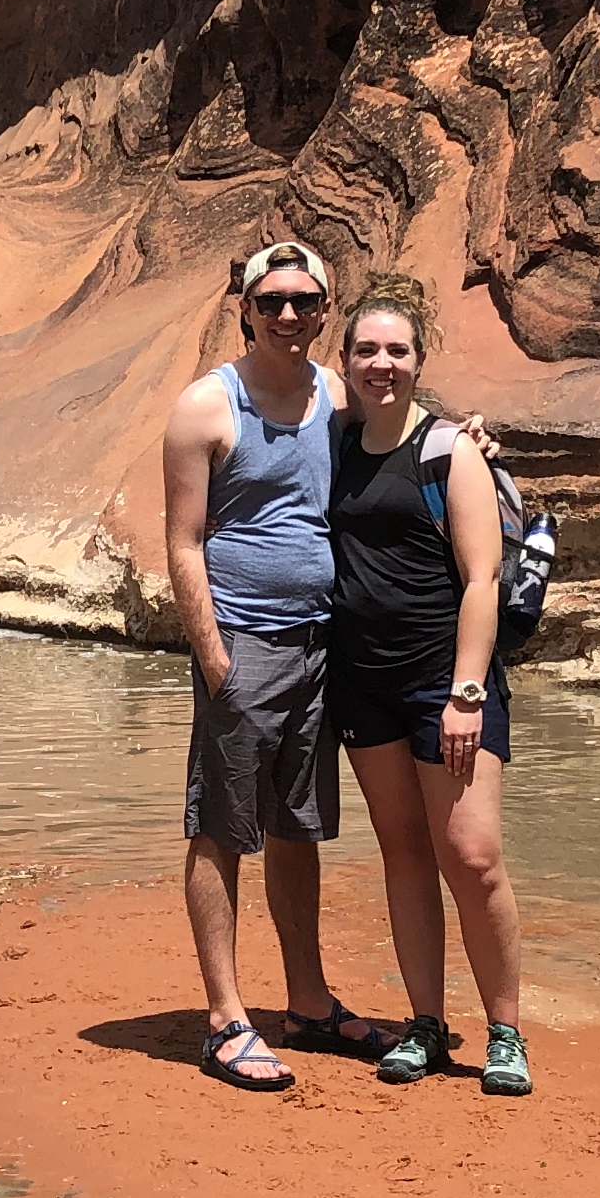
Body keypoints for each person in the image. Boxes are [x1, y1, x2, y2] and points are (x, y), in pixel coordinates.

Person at [160, 237, 409, 1092]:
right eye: (273, 302)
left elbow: (398, 431)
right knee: (222, 827)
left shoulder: (332, 394)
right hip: (243, 646)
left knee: (298, 827)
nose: (290, 316)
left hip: (317, 645)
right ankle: (227, 1020)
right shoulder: (205, 408)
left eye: (306, 301)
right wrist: (216, 658)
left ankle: (305, 1002)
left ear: (324, 311)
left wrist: (471, 434)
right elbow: (183, 544)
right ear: (246, 310)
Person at [327, 274, 530, 1096]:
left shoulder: (448, 450)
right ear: (345, 361)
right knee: (404, 853)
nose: (382, 363)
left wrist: (466, 693)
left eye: (397, 351)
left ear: (420, 361)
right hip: (362, 682)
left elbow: (482, 579)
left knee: (472, 856)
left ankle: (506, 1031)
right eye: (367, 350)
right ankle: (425, 1024)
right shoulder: (335, 442)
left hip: (445, 682)